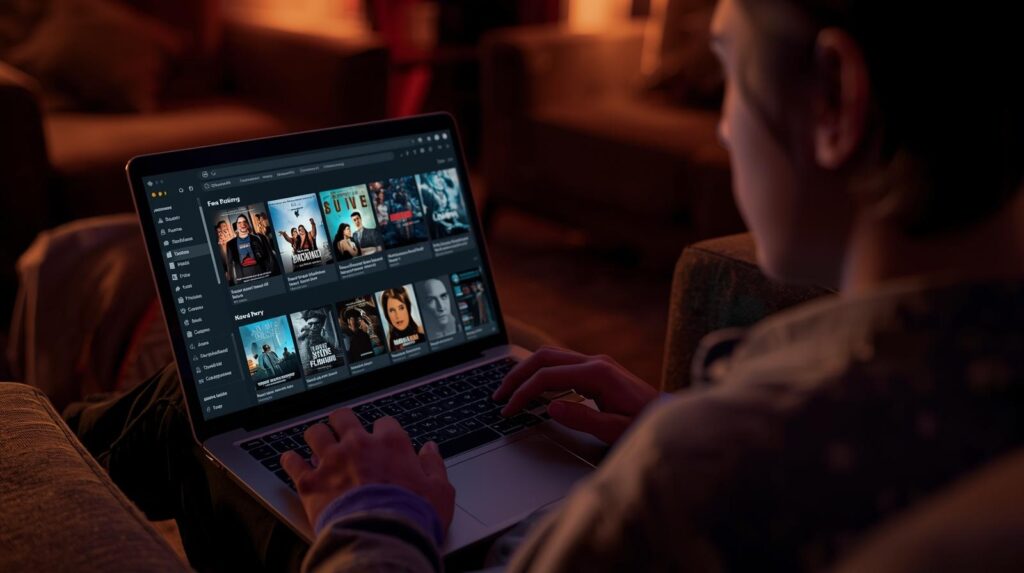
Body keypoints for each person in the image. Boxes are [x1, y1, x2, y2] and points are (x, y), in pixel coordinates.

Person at [64, 0, 1024, 570]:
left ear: (835, 101)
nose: (728, 128)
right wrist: (662, 422)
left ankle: (35, 441)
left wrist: (376, 512)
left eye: (727, 74)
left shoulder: (702, 471)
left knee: (207, 413)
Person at [224, 214, 274, 284]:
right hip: (243, 279)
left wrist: (269, 272)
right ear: (237, 226)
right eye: (239, 222)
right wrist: (231, 281)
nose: (242, 224)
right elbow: (229, 264)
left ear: (247, 224)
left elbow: (265, 257)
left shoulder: (256, 238)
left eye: (244, 222)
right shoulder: (230, 244)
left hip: (260, 275)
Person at [380, 287, 425, 351]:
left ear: (408, 308)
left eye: (401, 308)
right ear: (387, 314)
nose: (397, 316)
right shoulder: (388, 340)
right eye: (392, 310)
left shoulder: (422, 331)